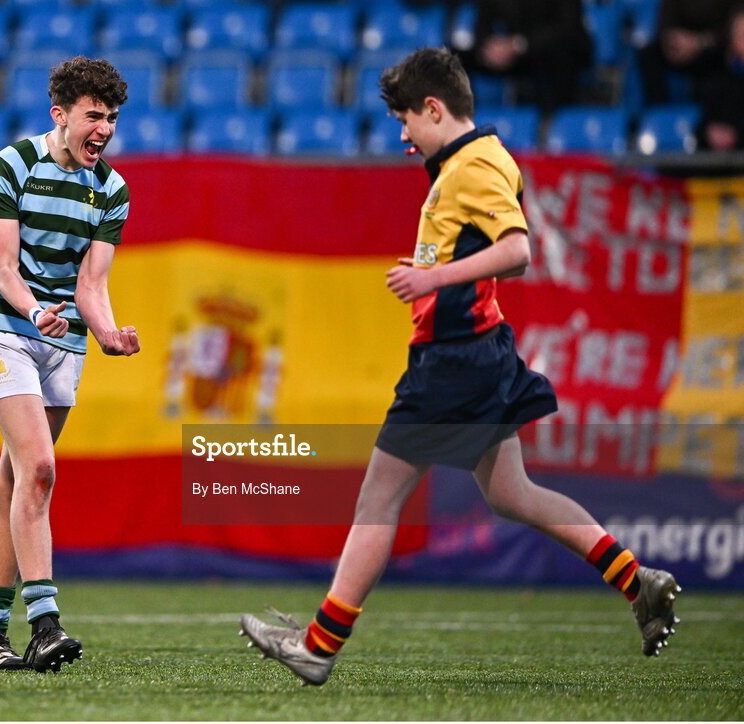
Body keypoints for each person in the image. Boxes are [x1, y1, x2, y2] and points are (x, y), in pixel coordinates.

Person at [239, 48, 680, 687]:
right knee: (511, 494)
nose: (403, 137)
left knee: (378, 499)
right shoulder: (475, 160)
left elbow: (517, 250)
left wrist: (433, 278)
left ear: (434, 108)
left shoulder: (473, 165)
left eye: (406, 121)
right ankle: (637, 581)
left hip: (453, 358)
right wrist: (437, 273)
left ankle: (317, 646)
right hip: (478, 350)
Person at [0, 56, 140, 673]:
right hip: (5, 327)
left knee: (18, 482)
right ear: (59, 115)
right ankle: (45, 623)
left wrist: (109, 332)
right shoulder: (9, 167)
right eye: (94, 116)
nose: (105, 129)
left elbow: (92, 286)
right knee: (40, 468)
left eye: (112, 118)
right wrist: (37, 311)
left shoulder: (111, 190)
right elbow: (4, 269)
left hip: (63, 339)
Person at [465, 0, 592, 111]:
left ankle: (549, 123)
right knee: (458, 61)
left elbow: (568, 28)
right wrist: (491, 48)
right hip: (515, 55)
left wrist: (518, 44)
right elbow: (482, 27)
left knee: (558, 60)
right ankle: (465, 121)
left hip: (556, 50)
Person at [697, 3, 744, 151]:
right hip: (725, 161)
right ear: (734, 42)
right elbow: (704, 126)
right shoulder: (719, 82)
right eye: (742, 36)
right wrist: (710, 133)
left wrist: (738, 136)